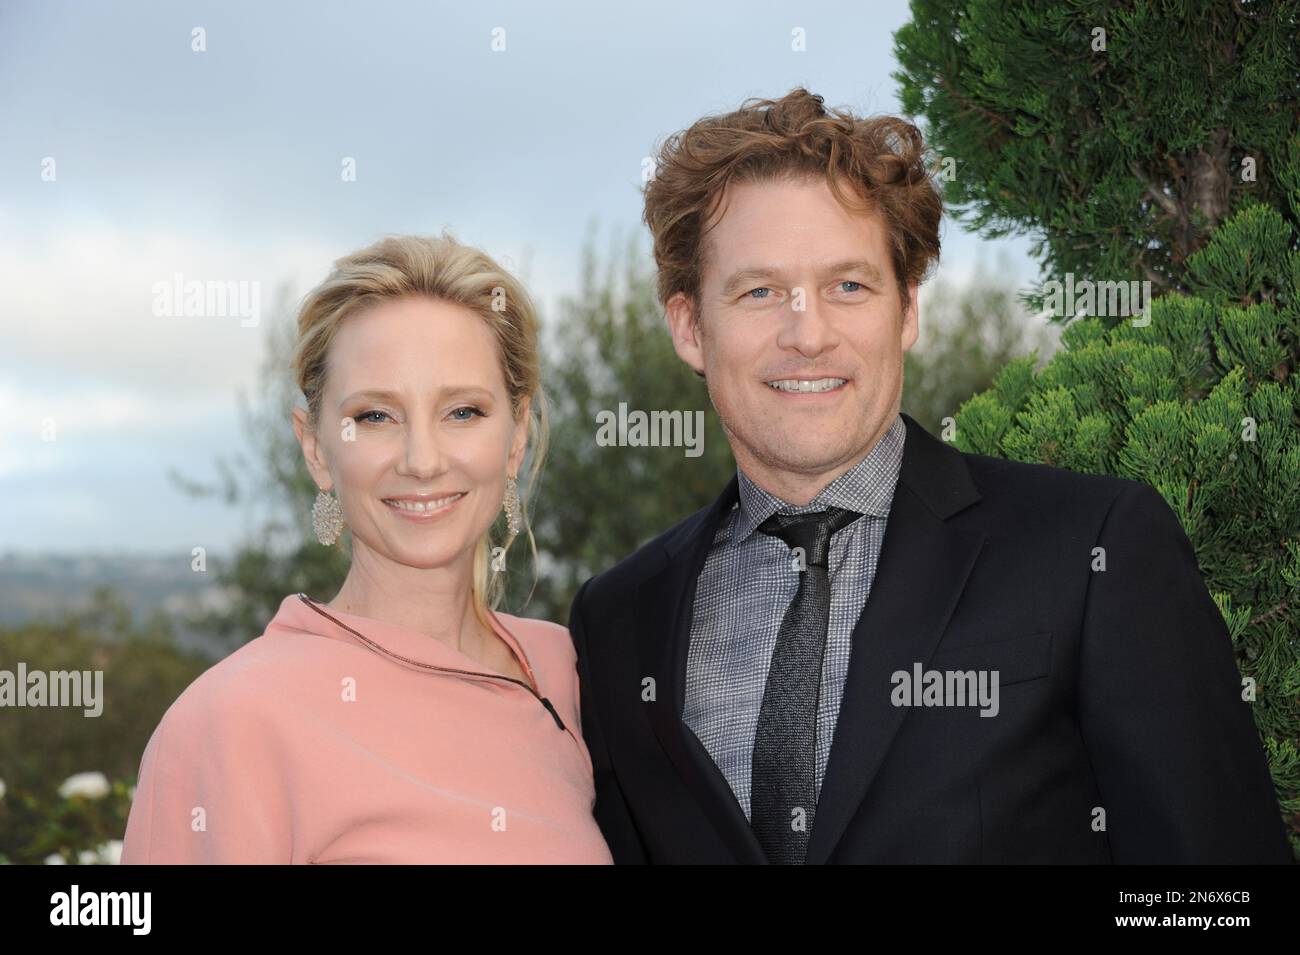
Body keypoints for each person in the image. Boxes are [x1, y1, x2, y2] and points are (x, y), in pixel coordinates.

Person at [567, 88, 1292, 864]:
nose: (807, 334)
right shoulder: (617, 623)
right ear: (689, 326)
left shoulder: (1093, 551)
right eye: (760, 291)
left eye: (849, 285)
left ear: (906, 309)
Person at [121, 233, 613, 864]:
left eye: (463, 411)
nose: (423, 461)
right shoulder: (231, 723)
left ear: (516, 436)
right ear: (316, 447)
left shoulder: (569, 673)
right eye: (375, 417)